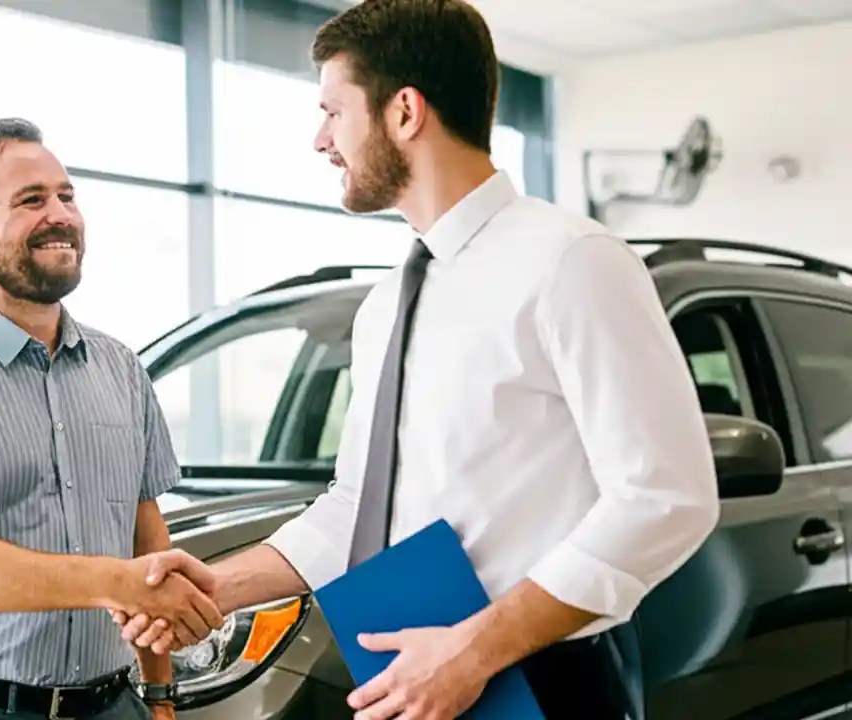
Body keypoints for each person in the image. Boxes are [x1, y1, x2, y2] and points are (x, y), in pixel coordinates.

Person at [115, 1, 720, 718]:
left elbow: (666, 497)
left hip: (542, 679)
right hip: (412, 677)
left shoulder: (572, 261)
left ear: (404, 111)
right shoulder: (388, 305)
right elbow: (356, 509)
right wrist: (213, 589)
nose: (320, 140)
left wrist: (476, 648)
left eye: (333, 111)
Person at [0, 117, 222, 720]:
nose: (61, 214)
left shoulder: (121, 370)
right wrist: (113, 581)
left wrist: (159, 694)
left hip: (115, 704)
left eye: (66, 196)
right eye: (32, 200)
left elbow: (146, 543)